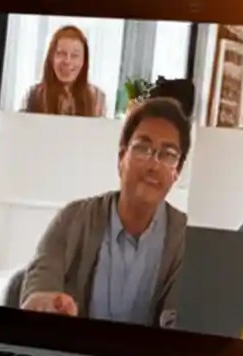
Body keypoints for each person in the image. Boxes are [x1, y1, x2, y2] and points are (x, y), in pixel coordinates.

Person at [20, 98, 190, 327]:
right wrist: (44, 300)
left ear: (176, 172)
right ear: (122, 158)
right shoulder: (73, 218)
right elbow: (42, 277)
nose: (153, 165)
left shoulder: (188, 238)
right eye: (142, 148)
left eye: (168, 154)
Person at [22, 25, 107, 117]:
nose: (67, 61)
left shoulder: (97, 99)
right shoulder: (34, 96)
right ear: (51, 57)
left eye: (75, 55)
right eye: (61, 54)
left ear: (84, 61)